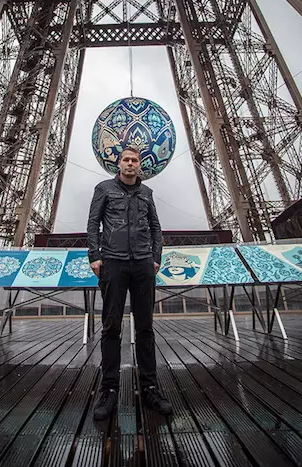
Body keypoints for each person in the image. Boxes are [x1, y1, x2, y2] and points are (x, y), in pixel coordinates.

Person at [87, 146, 173, 421]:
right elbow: (93, 224)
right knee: (111, 326)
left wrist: (156, 258)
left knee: (145, 327)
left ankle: (149, 387)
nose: (130, 164)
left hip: (143, 265)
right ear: (118, 163)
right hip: (113, 263)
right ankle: (109, 389)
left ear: (140, 165)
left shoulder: (146, 193)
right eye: (126, 159)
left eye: (134, 160)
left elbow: (156, 228)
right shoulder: (103, 188)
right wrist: (95, 257)